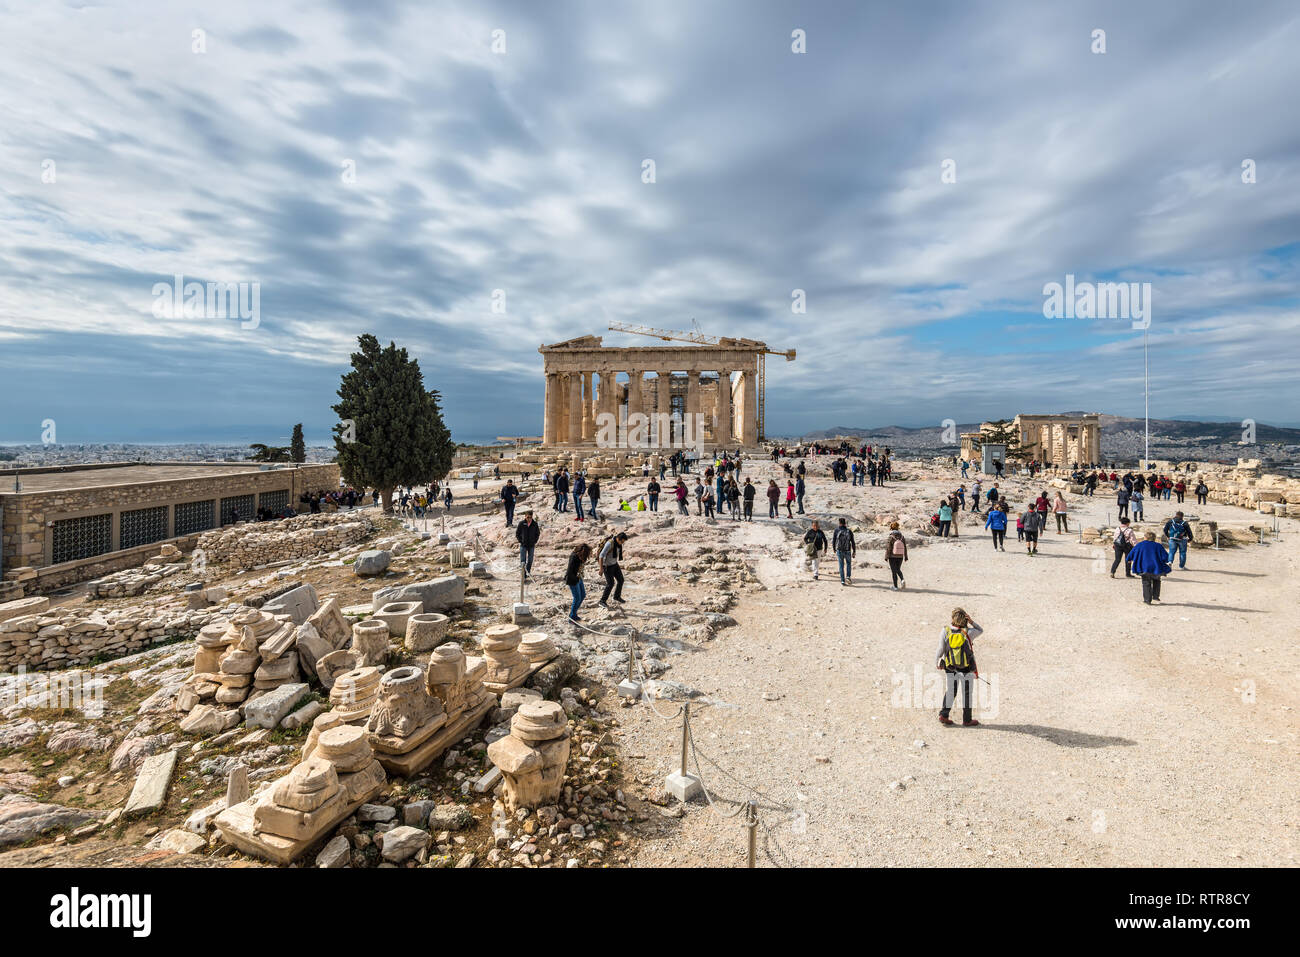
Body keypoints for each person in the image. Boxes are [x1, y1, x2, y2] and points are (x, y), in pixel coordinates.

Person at [937, 608, 982, 727]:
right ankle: (967, 720)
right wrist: (971, 621)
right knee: (967, 693)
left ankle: (944, 715)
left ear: (952, 618)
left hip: (950, 666)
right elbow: (980, 630)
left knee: (951, 690)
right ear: (965, 619)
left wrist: (937, 661)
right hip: (966, 667)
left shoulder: (945, 631)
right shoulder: (968, 632)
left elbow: (941, 648)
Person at [1130, 531, 1172, 604]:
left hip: (1144, 567)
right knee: (1157, 580)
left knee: (1146, 583)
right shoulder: (1158, 546)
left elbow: (1132, 553)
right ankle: (1155, 596)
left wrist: (1129, 559)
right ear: (1154, 538)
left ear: (1145, 537)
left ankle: (1147, 600)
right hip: (1156, 567)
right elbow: (1165, 557)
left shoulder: (1140, 545)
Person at [598, 532, 628, 606]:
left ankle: (617, 596)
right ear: (618, 538)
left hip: (614, 564)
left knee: (621, 580)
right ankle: (602, 601)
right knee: (610, 584)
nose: (622, 543)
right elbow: (601, 556)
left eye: (623, 542)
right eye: (622, 541)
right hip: (607, 566)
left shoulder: (618, 544)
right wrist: (601, 568)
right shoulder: (609, 544)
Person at [565, 543, 591, 623]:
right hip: (573, 579)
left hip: (578, 577)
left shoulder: (580, 556)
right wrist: (576, 579)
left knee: (582, 595)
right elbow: (569, 571)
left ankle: (574, 614)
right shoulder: (574, 557)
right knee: (577, 598)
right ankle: (571, 618)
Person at [515, 509, 539, 575]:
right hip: (523, 545)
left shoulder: (534, 524)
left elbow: (537, 533)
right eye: (527, 517)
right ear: (525, 516)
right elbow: (517, 533)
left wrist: (534, 541)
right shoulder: (521, 523)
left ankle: (527, 572)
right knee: (523, 561)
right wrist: (520, 541)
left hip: (531, 545)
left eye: (530, 517)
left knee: (530, 560)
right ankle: (523, 574)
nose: (529, 519)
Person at [832, 517, 856, 585]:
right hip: (847, 550)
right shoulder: (849, 531)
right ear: (845, 523)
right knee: (848, 564)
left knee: (841, 565)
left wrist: (834, 548)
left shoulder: (836, 530)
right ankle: (848, 576)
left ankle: (842, 580)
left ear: (839, 523)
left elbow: (834, 540)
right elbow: (853, 542)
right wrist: (854, 551)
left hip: (839, 550)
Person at [884, 522, 908, 588]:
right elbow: (905, 547)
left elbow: (888, 548)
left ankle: (895, 587)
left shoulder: (891, 536)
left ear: (892, 528)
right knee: (898, 569)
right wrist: (906, 557)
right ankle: (902, 579)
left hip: (892, 556)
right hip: (900, 556)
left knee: (894, 571)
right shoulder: (902, 537)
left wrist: (886, 557)